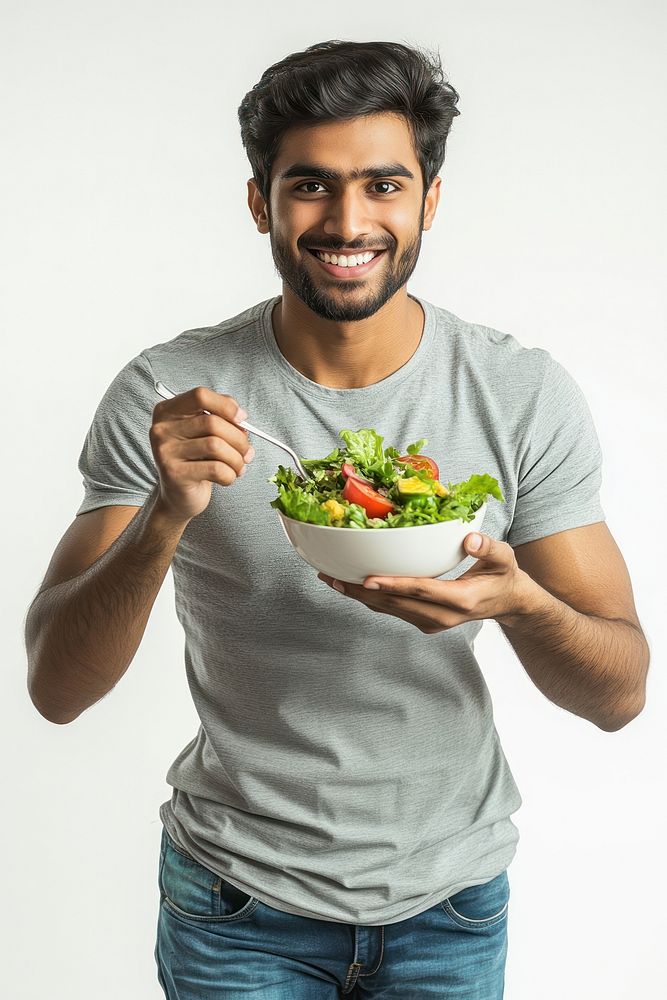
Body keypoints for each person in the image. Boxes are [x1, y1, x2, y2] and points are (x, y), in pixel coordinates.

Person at [25, 39, 649, 1000]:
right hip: (233, 904)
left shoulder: (518, 393)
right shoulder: (167, 393)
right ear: (258, 203)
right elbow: (56, 689)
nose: (347, 221)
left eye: (383, 185)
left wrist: (522, 605)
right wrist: (163, 518)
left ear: (428, 202)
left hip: (450, 900)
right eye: (309, 186)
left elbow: (619, 693)